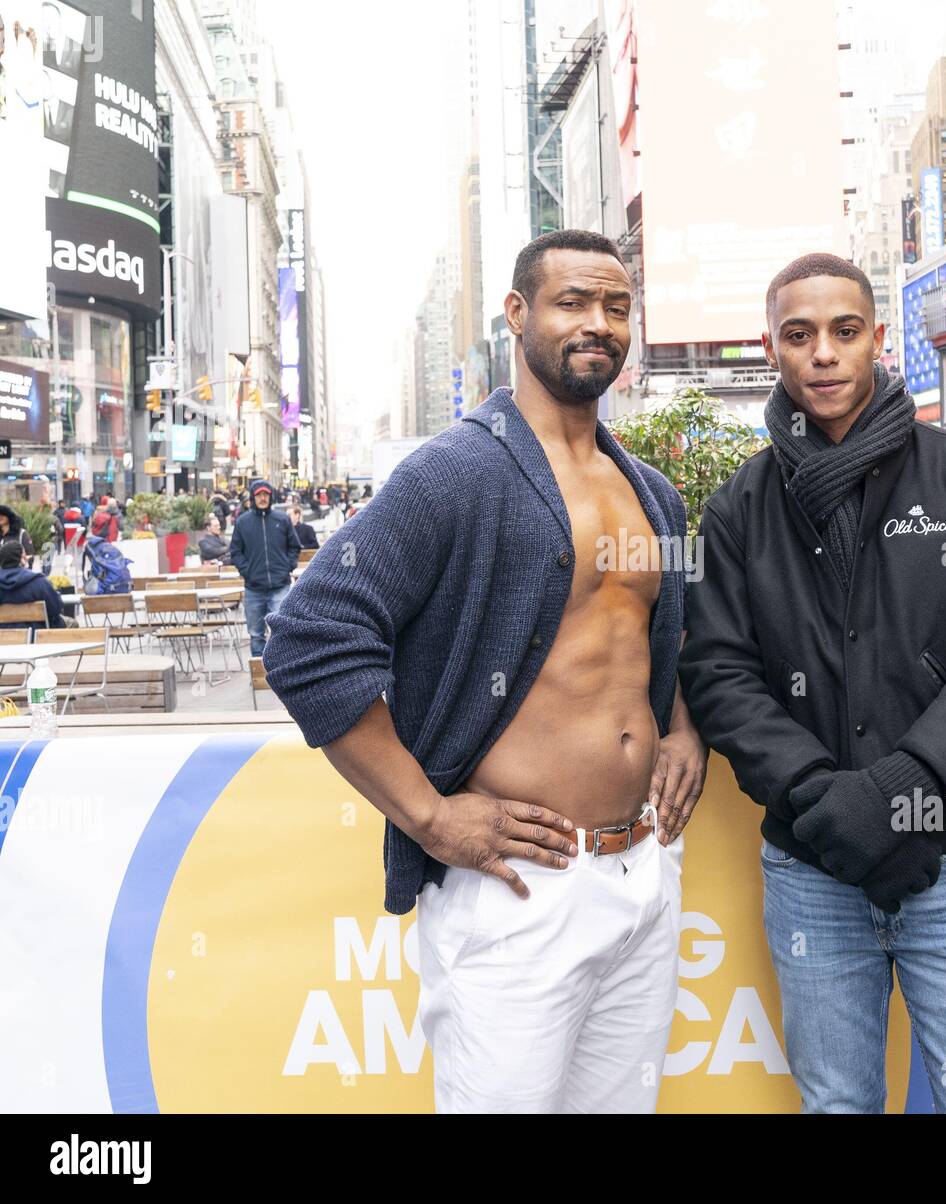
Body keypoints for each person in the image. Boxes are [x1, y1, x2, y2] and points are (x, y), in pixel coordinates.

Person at [264, 229, 706, 1115]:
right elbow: (308, 637)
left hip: (642, 874)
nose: (599, 324)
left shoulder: (653, 492)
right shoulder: (453, 473)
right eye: (573, 302)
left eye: (616, 307)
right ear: (517, 314)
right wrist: (429, 816)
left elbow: (656, 634)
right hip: (517, 892)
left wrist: (684, 723)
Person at [679, 254, 946, 1115]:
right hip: (812, 860)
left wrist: (904, 785)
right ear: (771, 349)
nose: (823, 353)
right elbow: (716, 669)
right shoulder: (739, 510)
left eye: (844, 332)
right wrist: (820, 795)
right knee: (837, 1106)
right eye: (799, 334)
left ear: (879, 342)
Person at [230, 479, 299, 658]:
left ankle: (283, 669)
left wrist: (287, 566)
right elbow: (235, 552)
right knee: (256, 634)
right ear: (253, 498)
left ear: (271, 496)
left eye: (265, 494)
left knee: (282, 632)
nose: (262, 498)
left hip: (280, 586)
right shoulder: (242, 522)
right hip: (253, 588)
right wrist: (247, 571)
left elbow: (294, 546)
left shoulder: (282, 519)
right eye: (259, 495)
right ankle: (258, 674)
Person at [0, 541, 64, 629]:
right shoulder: (38, 581)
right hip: (37, 636)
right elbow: (56, 608)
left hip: (4, 637)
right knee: (72, 624)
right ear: (22, 558)